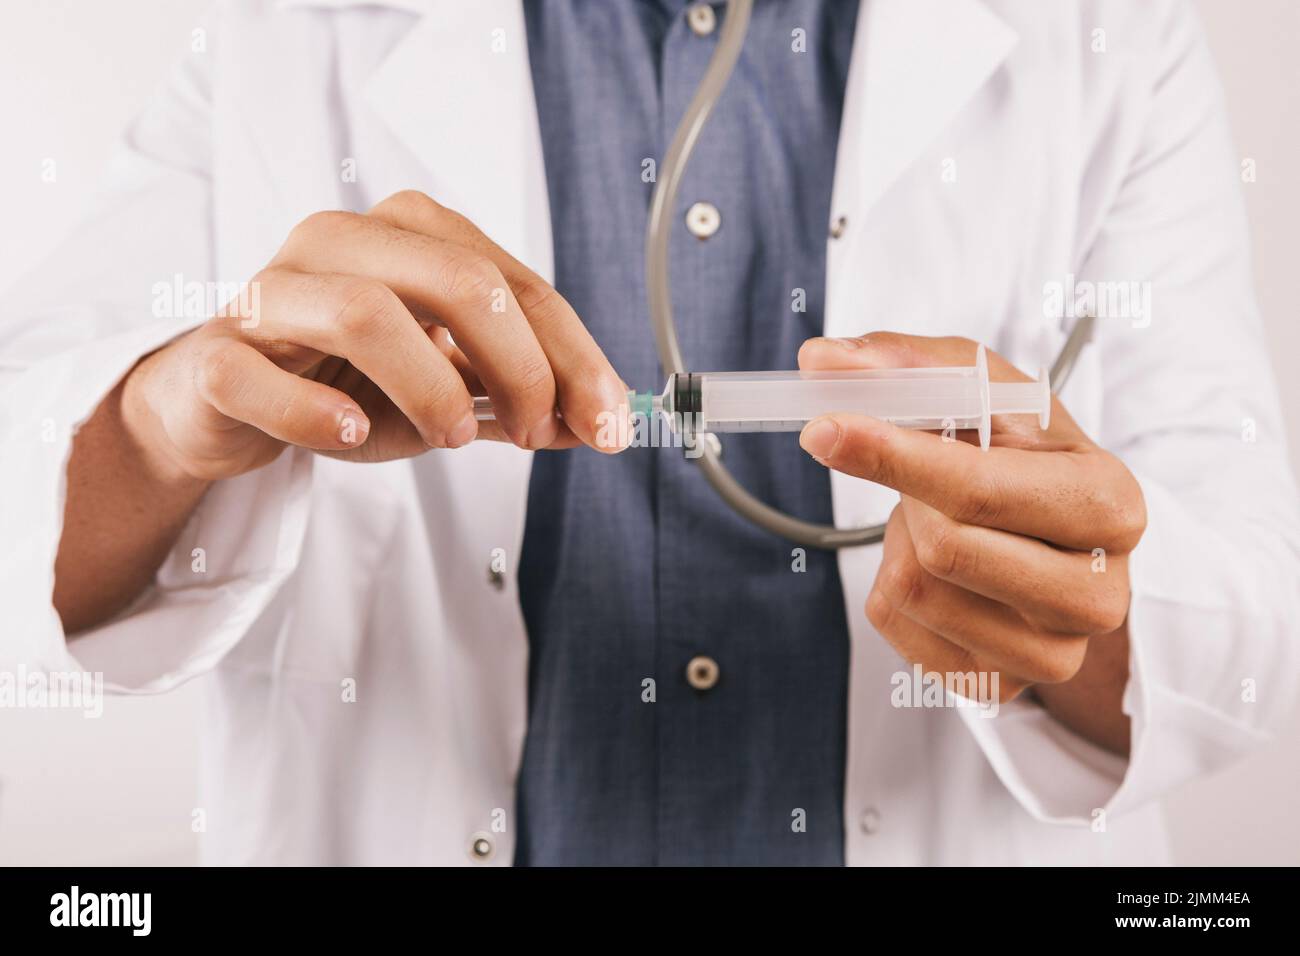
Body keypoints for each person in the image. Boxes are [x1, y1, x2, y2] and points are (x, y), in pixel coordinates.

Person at [1, 0, 1295, 866]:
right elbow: (28, 520)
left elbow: (1249, 634)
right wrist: (165, 421)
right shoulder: (288, 33)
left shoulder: (1108, 37)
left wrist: (1081, 610)